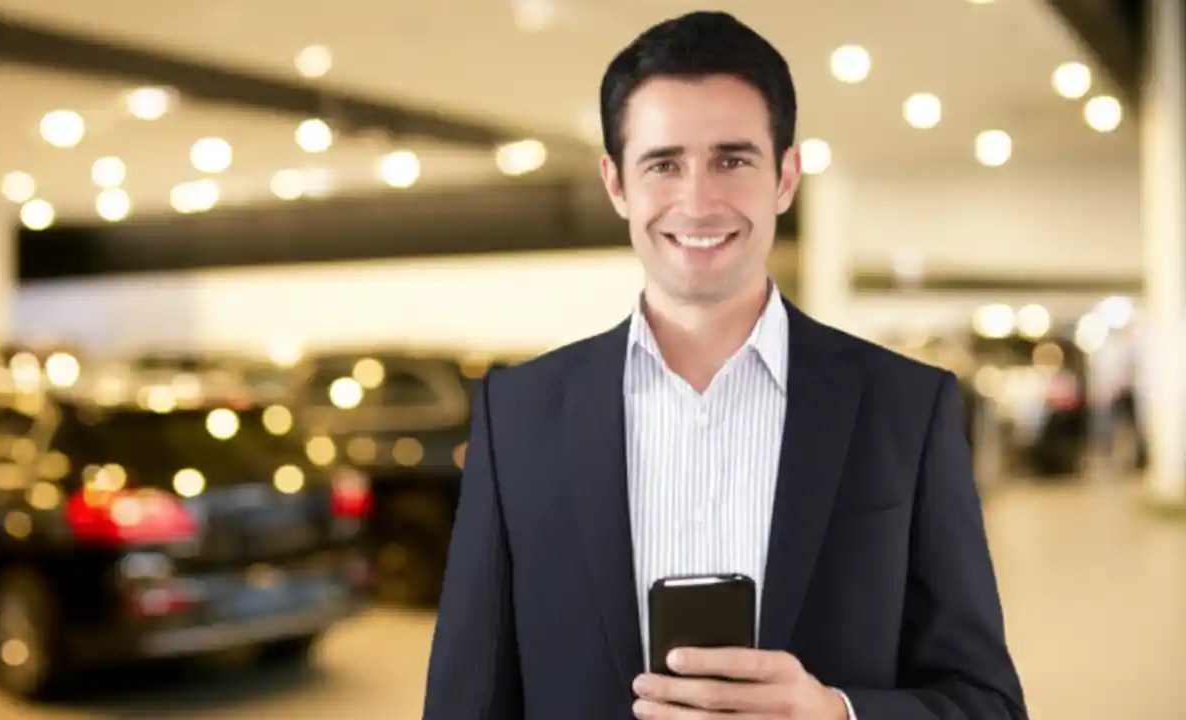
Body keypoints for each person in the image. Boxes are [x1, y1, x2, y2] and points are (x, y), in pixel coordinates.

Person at [423, 10, 1027, 719]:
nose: (699, 201)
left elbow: (987, 704)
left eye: (732, 160)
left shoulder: (905, 407)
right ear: (616, 183)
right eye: (663, 164)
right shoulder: (520, 415)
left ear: (786, 177)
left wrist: (836, 713)